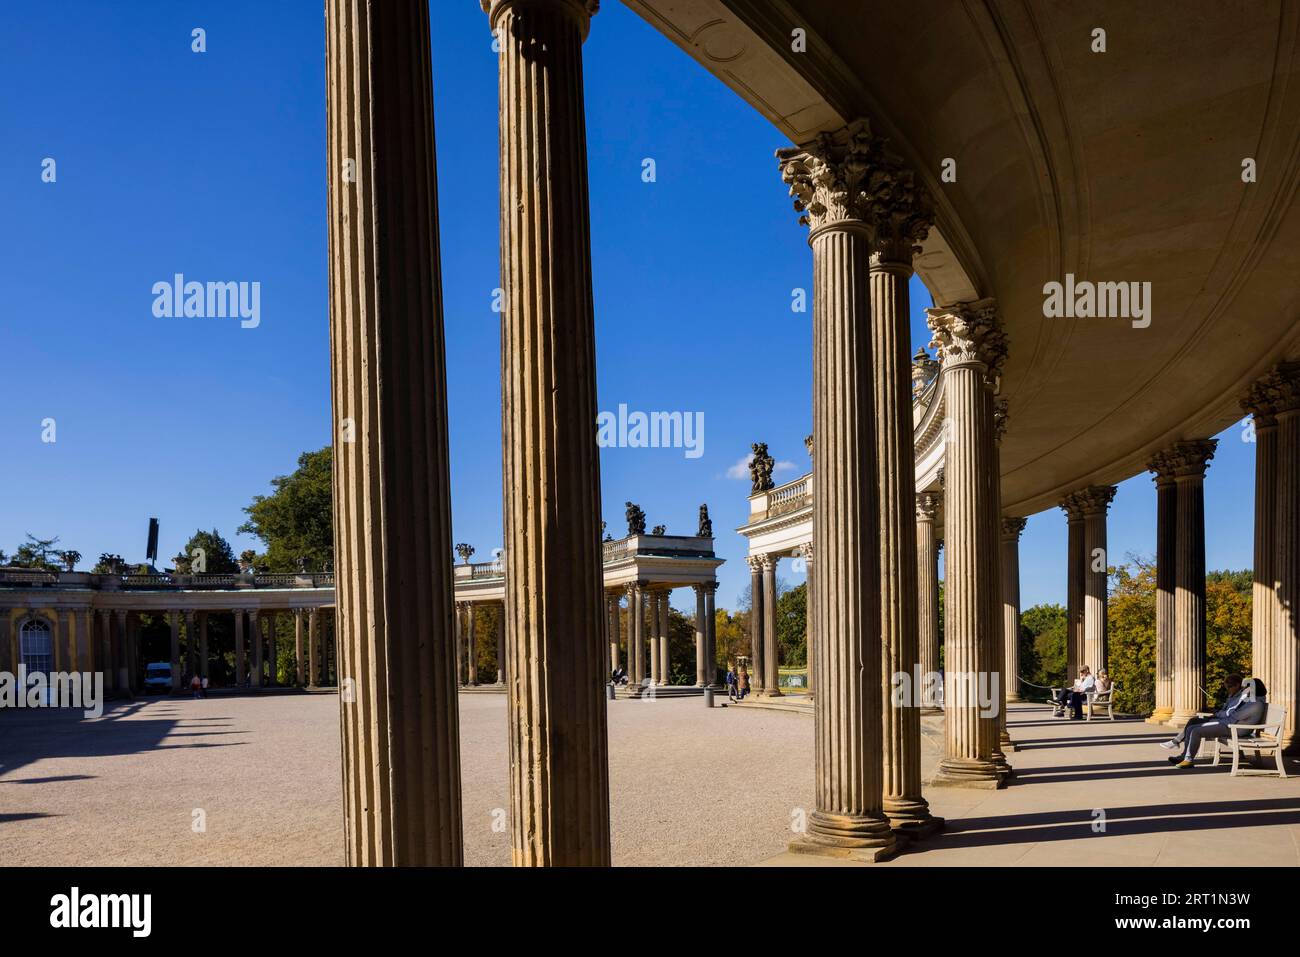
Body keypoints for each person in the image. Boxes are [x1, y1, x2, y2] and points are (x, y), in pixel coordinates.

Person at [1161, 675, 1267, 769]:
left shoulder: (1256, 704)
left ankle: (1188, 760)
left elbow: (1235, 715)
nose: (1244, 690)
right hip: (1230, 725)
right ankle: (1185, 757)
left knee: (1196, 731)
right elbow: (1233, 713)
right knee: (1191, 727)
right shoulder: (1250, 701)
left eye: (1246, 688)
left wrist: (1222, 716)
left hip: (1235, 729)